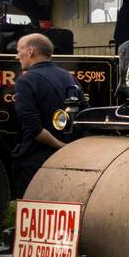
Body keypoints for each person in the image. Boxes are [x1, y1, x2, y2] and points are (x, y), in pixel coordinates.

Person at [11, 32, 85, 197]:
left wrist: (60, 146)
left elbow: (33, 127)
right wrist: (69, 148)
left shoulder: (26, 81)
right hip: (68, 158)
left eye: (19, 50)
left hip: (35, 160)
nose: (17, 56)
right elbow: (83, 114)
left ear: (30, 52)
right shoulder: (69, 78)